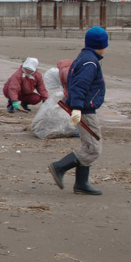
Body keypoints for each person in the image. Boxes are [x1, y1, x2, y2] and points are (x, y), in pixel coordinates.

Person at [47, 27, 108, 196]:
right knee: (94, 148)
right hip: (84, 110)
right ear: (101, 45)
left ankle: (81, 183)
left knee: (88, 145)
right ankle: (60, 167)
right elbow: (80, 86)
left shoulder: (85, 58)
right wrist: (77, 108)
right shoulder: (90, 62)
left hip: (83, 107)